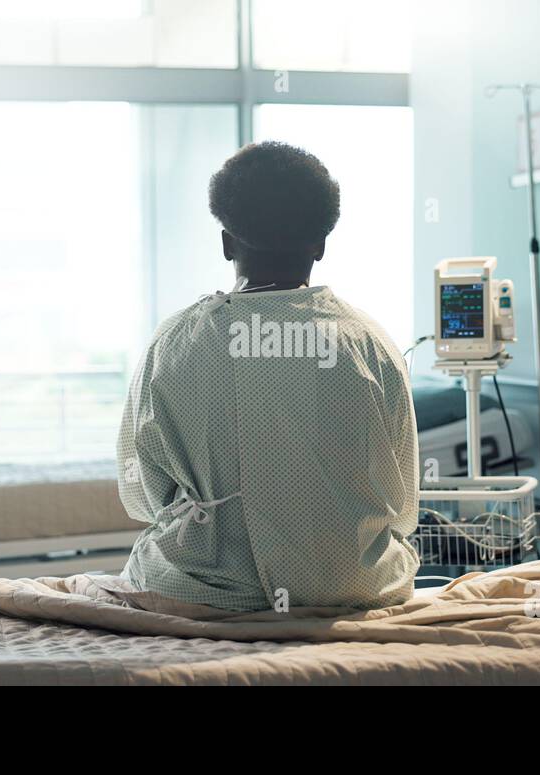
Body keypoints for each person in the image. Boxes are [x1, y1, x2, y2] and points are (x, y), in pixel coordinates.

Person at [116, 141, 418, 611]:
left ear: (227, 242)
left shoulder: (175, 344)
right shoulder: (369, 345)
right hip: (352, 588)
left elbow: (143, 495)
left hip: (202, 591)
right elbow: (401, 505)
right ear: (320, 244)